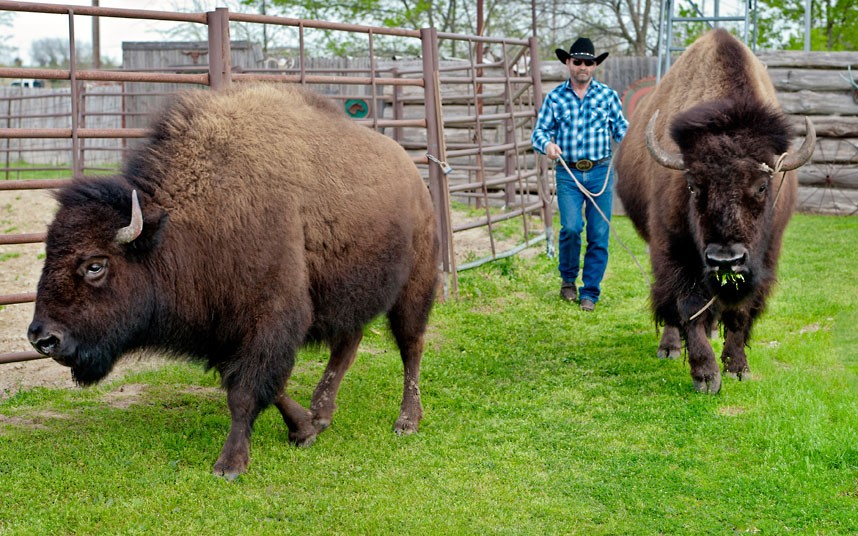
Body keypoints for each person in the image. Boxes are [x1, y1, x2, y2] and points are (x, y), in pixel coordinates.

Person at [531, 37, 629, 312]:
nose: (583, 66)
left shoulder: (607, 96)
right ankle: (568, 279)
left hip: (600, 172)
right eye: (577, 62)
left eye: (588, 62)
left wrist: (635, 144)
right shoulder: (555, 97)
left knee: (599, 233)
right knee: (572, 228)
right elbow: (539, 132)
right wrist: (547, 144)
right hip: (568, 173)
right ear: (568, 63)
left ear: (595, 65)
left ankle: (591, 292)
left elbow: (622, 129)